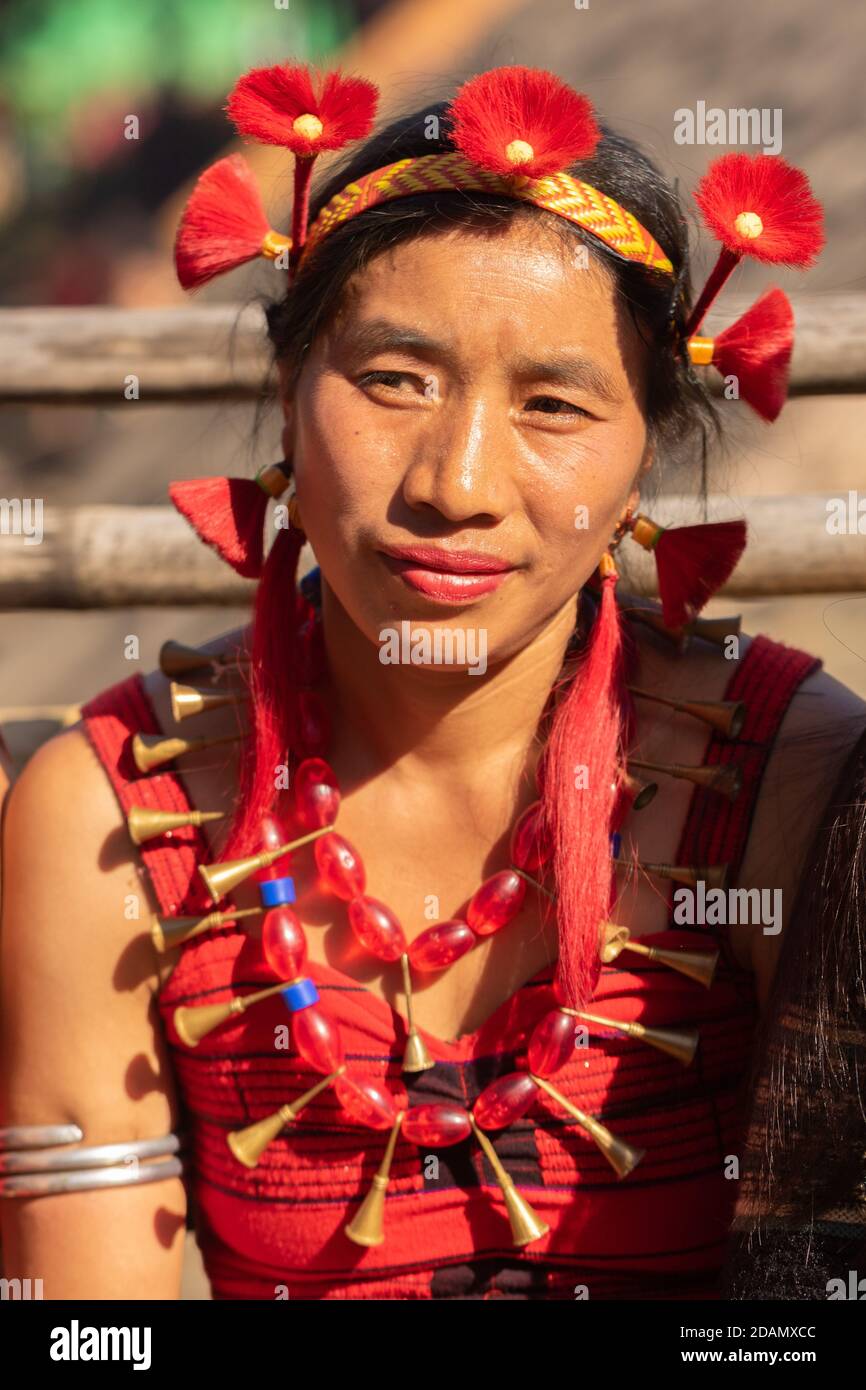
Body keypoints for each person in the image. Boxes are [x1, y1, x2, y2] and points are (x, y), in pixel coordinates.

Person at [1, 62, 864, 1301]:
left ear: (641, 472)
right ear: (287, 403)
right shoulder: (112, 823)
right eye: (394, 379)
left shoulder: (788, 791)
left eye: (554, 404)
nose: (453, 483)